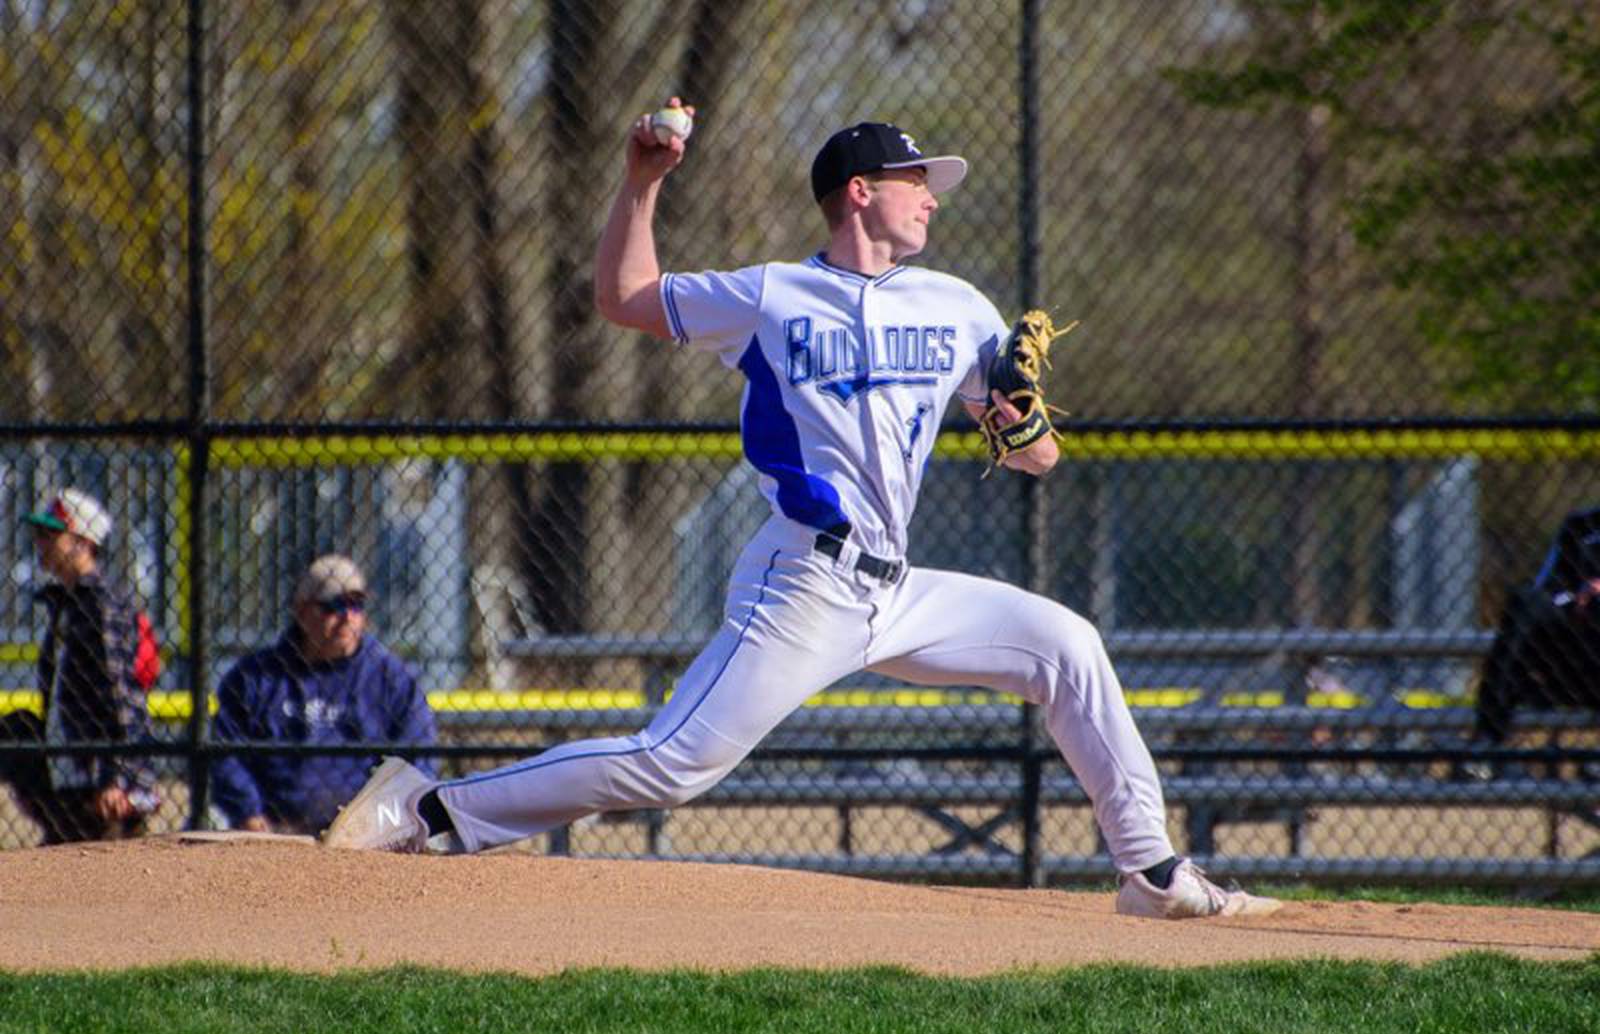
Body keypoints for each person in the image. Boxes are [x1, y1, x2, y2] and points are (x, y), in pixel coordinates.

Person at [325, 105, 1280, 920]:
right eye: (915, 180)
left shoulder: (958, 307)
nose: (932, 196)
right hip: (804, 581)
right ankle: (430, 809)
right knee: (672, 763)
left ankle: (1150, 872)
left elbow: (1036, 455)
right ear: (859, 192)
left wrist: (1018, 418)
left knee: (1067, 646)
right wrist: (643, 182)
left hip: (896, 589)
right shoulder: (770, 296)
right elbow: (623, 298)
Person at [209, 555, 438, 835]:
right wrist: (248, 812)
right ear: (301, 611)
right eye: (334, 606)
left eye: (356, 605)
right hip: (274, 829)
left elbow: (419, 759)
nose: (347, 617)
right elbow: (226, 753)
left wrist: (384, 820)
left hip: (365, 833)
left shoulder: (391, 679)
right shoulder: (256, 677)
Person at [0, 489, 159, 844]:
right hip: (69, 763)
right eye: (40, 534)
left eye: (51, 534)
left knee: (94, 858)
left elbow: (119, 694)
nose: (40, 542)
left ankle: (102, 822)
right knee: (15, 728)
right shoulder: (67, 603)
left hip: (98, 772)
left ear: (83, 543)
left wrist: (115, 777)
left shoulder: (100, 604)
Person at [1474, 507, 1600, 745]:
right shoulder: (1580, 525)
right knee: (1526, 601)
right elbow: (1548, 588)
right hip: (1573, 653)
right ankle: (1488, 737)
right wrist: (1577, 598)